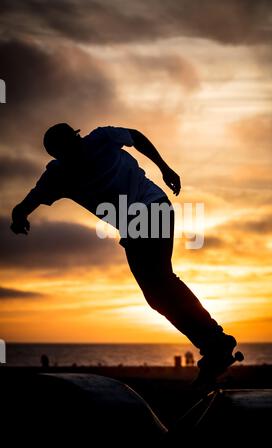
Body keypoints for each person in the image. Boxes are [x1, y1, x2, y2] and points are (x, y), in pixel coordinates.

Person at [10, 123, 241, 377]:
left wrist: (164, 168)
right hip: (134, 227)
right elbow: (27, 202)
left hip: (152, 205)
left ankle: (215, 341)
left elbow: (137, 137)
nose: (76, 153)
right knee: (156, 295)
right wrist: (19, 216)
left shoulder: (102, 138)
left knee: (162, 281)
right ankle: (213, 343)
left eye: (75, 144)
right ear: (58, 155)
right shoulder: (58, 174)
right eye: (67, 152)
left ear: (78, 138)